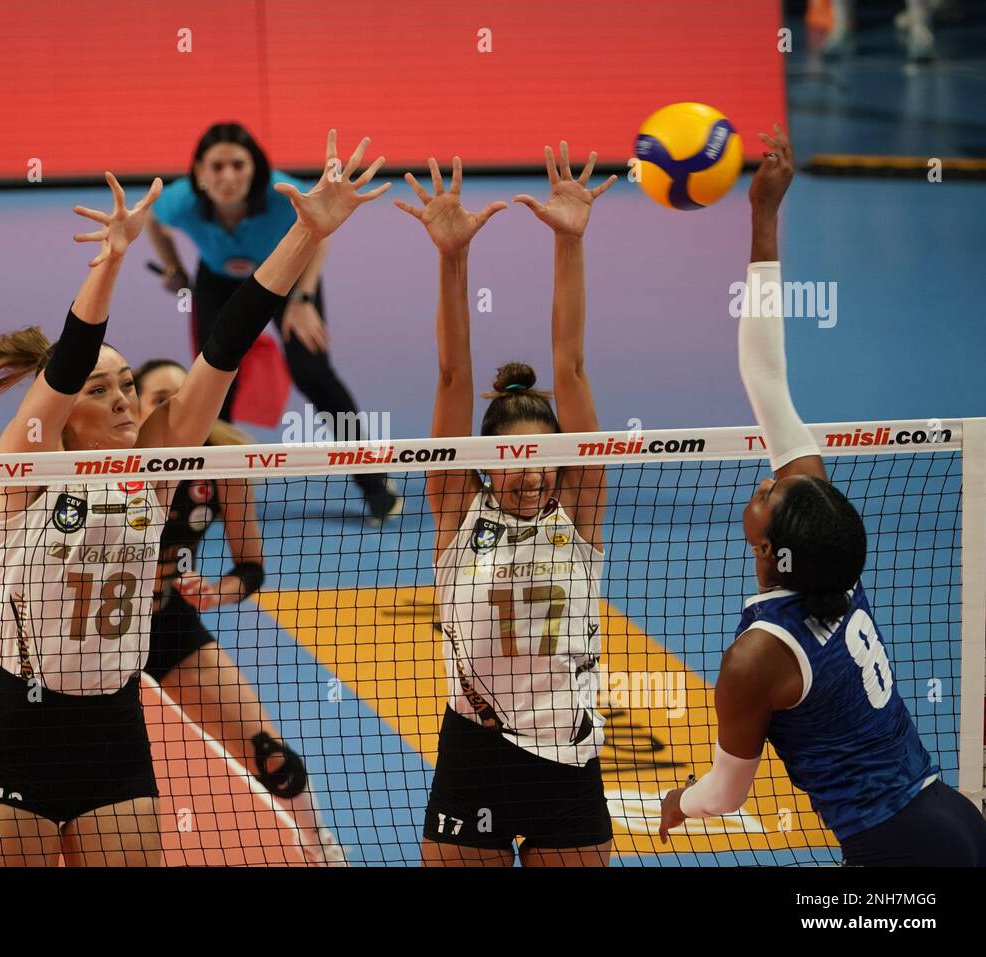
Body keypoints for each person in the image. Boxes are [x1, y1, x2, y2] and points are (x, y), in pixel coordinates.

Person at [0, 130, 388, 866]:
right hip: (19, 724)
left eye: (124, 387)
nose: (119, 399)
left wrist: (305, 234)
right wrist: (111, 261)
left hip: (114, 730)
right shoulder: (27, 462)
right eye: (99, 388)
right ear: (63, 408)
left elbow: (228, 341)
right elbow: (73, 351)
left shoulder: (158, 467)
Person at [658, 125, 986, 866]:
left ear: (768, 549)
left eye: (768, 490)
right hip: (948, 817)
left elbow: (727, 793)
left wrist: (678, 800)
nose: (766, 478)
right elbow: (767, 382)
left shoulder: (756, 659)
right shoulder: (828, 554)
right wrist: (764, 218)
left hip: (898, 848)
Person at [396, 147, 618, 866]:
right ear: (487, 460)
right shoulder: (457, 510)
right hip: (476, 752)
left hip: (568, 759)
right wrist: (451, 258)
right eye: (513, 459)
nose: (529, 474)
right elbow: (454, 374)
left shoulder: (577, 512)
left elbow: (573, 365)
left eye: (542, 458)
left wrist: (570, 239)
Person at [133, 358, 346, 865]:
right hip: (88, 637)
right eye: (161, 399)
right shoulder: (103, 464)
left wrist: (216, 592)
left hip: (167, 626)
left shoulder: (222, 463)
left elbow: (250, 567)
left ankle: (319, 846)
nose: (178, 408)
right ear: (140, 412)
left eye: (186, 397)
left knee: (271, 754)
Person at [147, 121, 401, 525]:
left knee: (313, 374)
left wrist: (302, 299)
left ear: (255, 168)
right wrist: (174, 268)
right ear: (199, 172)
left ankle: (375, 483)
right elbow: (154, 223)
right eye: (216, 167)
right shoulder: (179, 201)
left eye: (238, 165)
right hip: (217, 282)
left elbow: (320, 236)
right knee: (211, 386)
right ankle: (210, 489)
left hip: (287, 279)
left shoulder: (284, 194)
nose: (227, 176)